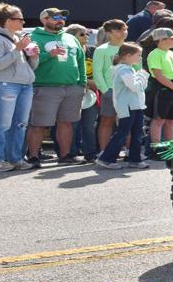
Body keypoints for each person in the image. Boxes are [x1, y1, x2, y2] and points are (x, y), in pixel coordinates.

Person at [24, 7, 87, 167]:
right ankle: (33, 157)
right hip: (45, 87)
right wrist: (48, 55)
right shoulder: (33, 37)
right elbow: (29, 62)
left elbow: (80, 61)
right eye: (55, 17)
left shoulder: (70, 38)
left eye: (62, 17)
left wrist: (82, 83)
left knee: (66, 123)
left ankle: (65, 156)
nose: (60, 20)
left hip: (72, 87)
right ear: (44, 20)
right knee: (39, 124)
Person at [0, 2, 38, 171]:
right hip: (6, 85)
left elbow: (31, 67)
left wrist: (34, 56)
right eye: (19, 19)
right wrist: (17, 50)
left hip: (25, 85)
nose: (23, 22)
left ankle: (15, 158)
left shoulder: (17, 40)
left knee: (20, 123)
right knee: (2, 123)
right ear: (7, 21)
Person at [95, 44, 149, 170]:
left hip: (136, 105)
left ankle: (135, 159)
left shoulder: (129, 68)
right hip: (127, 107)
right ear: (128, 56)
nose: (140, 58)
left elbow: (140, 87)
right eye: (138, 55)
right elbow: (135, 86)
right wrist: (143, 76)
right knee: (122, 133)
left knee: (137, 133)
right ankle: (106, 158)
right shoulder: (123, 70)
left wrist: (141, 77)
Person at [143, 28, 173, 158]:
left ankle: (169, 148)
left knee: (171, 121)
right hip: (162, 89)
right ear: (161, 40)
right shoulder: (155, 54)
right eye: (172, 38)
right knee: (158, 120)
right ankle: (156, 150)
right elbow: (158, 75)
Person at [64, 24, 100, 162]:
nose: (87, 36)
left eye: (87, 34)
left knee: (89, 125)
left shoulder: (93, 51)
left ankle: (90, 153)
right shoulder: (68, 51)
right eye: (82, 34)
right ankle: (71, 153)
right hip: (73, 90)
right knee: (72, 124)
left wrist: (94, 84)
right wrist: (86, 82)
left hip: (91, 93)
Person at [92, 19, 128, 154]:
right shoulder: (101, 50)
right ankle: (103, 152)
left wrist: (137, 87)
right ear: (109, 33)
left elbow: (137, 68)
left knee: (128, 122)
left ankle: (130, 151)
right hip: (110, 90)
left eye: (124, 29)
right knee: (107, 121)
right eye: (119, 30)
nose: (123, 32)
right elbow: (97, 72)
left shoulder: (130, 47)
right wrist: (105, 90)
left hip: (129, 91)